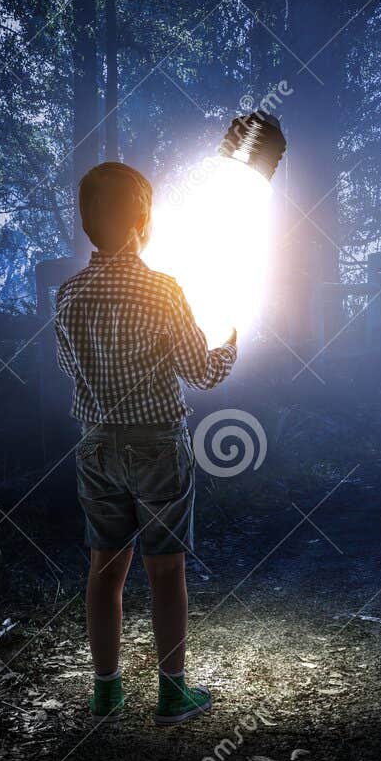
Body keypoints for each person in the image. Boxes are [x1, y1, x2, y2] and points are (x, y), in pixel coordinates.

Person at [55, 161, 237, 724]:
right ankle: (172, 692)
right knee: (165, 569)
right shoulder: (162, 289)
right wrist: (228, 345)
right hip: (157, 444)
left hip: (96, 447)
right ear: (141, 219)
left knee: (104, 570)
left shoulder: (69, 293)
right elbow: (200, 372)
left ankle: (106, 692)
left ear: (88, 224)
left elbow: (69, 369)